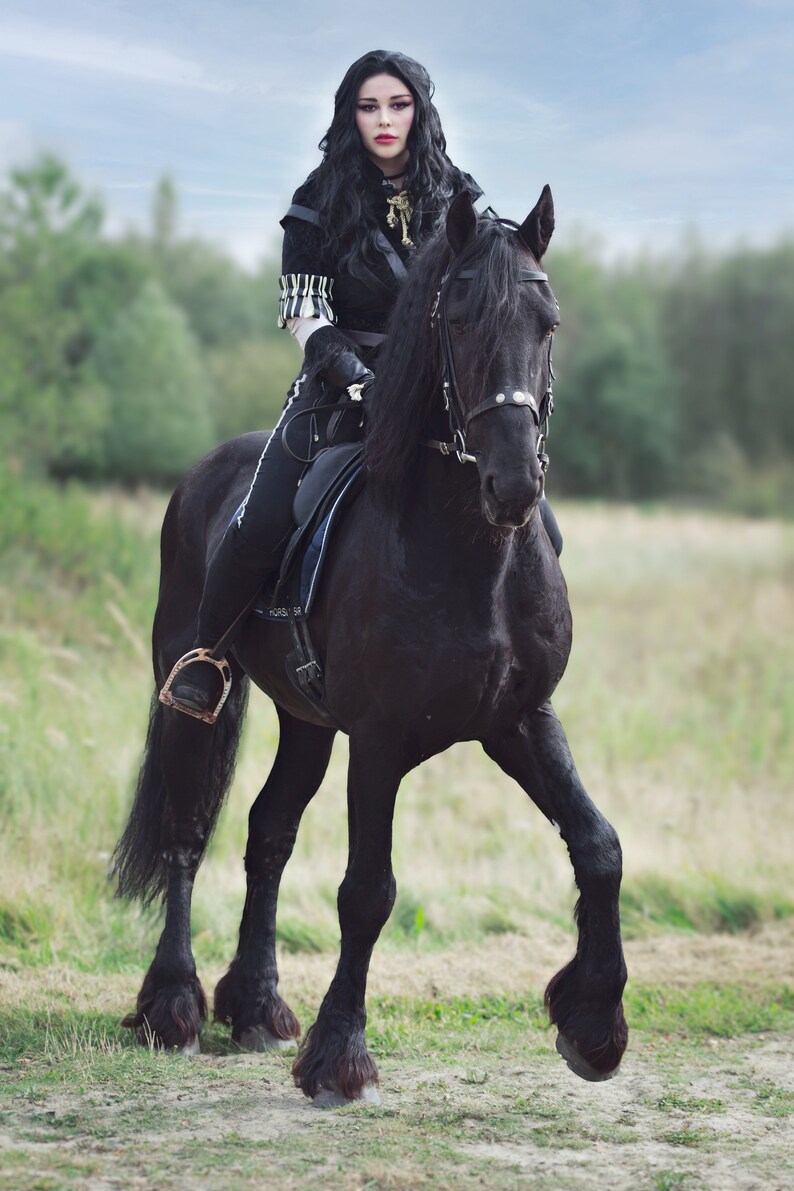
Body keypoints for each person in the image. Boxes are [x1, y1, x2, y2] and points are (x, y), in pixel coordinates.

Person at [164, 50, 483, 718]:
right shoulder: (317, 200)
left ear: (419, 110)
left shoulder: (458, 194)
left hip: (437, 392)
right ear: (350, 115)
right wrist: (359, 378)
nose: (385, 120)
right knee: (262, 520)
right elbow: (304, 314)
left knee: (529, 510)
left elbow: (486, 286)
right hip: (338, 386)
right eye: (370, 107)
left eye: (398, 105)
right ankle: (207, 655)